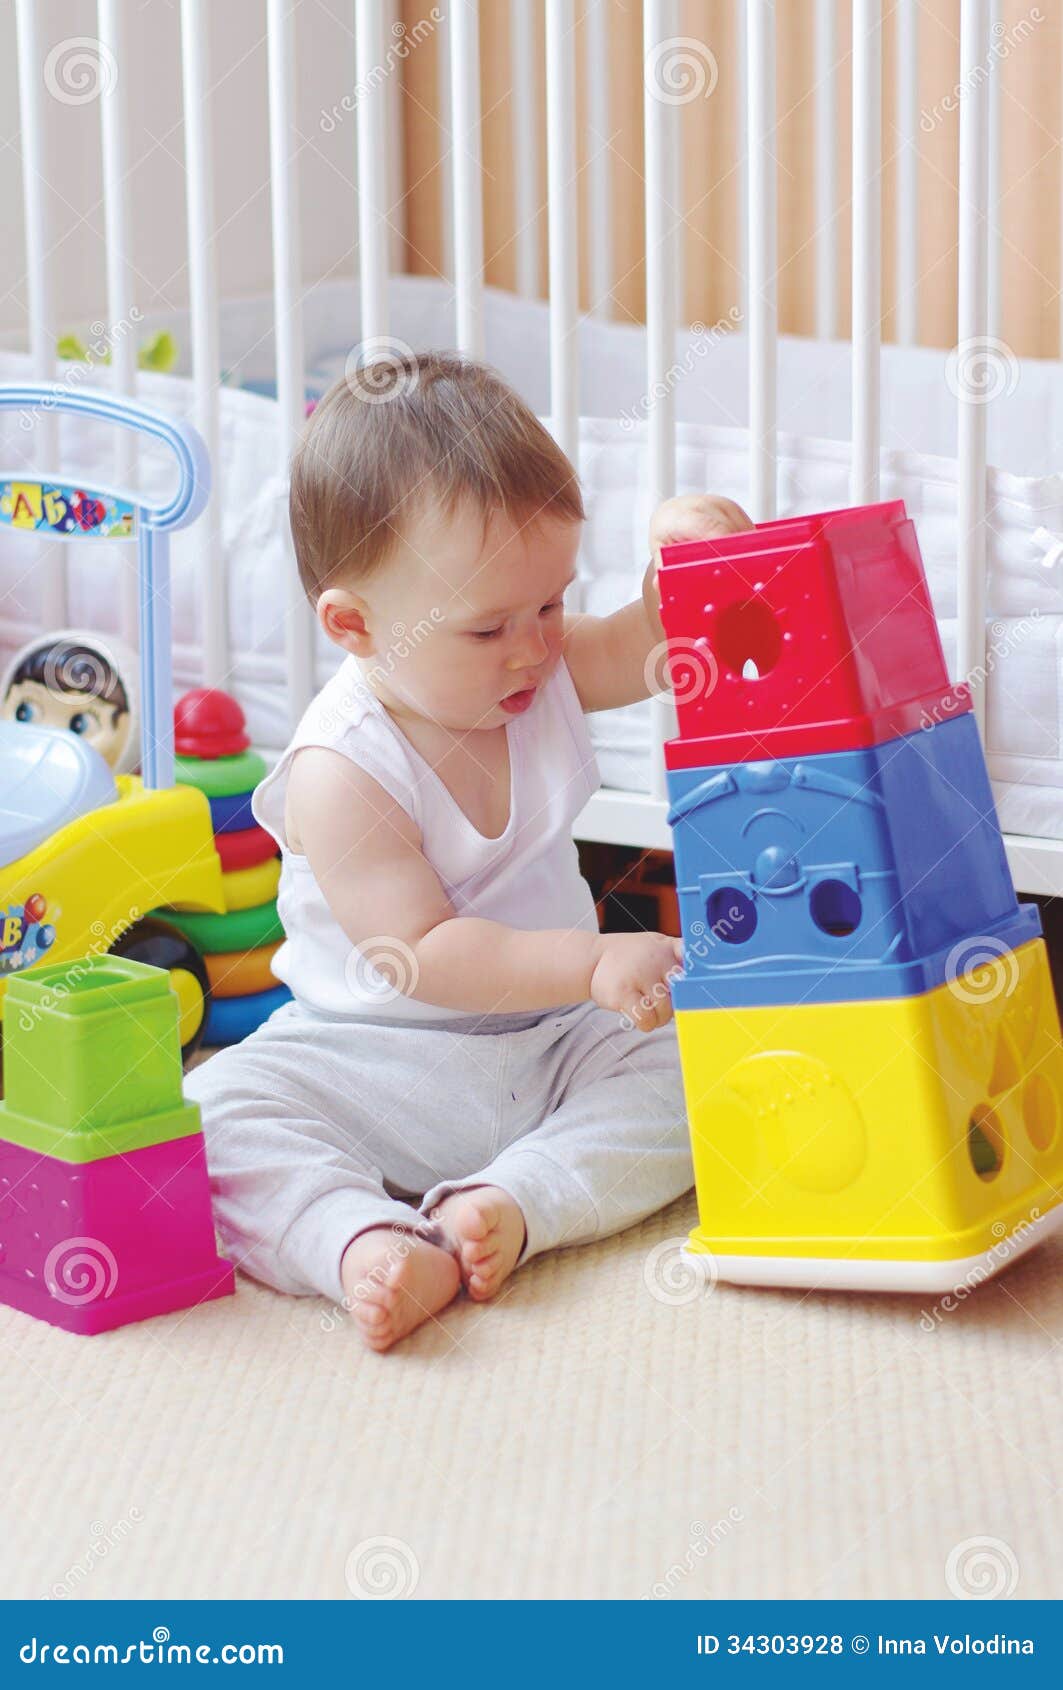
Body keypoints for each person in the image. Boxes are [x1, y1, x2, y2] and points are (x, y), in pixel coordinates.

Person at [185, 350, 753, 1351]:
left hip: (555, 1041)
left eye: (549, 604)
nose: (535, 646)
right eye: (489, 626)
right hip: (365, 1063)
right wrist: (589, 959)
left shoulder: (538, 666)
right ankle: (357, 1240)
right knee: (211, 1111)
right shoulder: (340, 768)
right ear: (355, 625)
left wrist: (688, 556)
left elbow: (655, 641)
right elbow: (427, 950)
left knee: (706, 1067)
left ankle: (507, 1202)